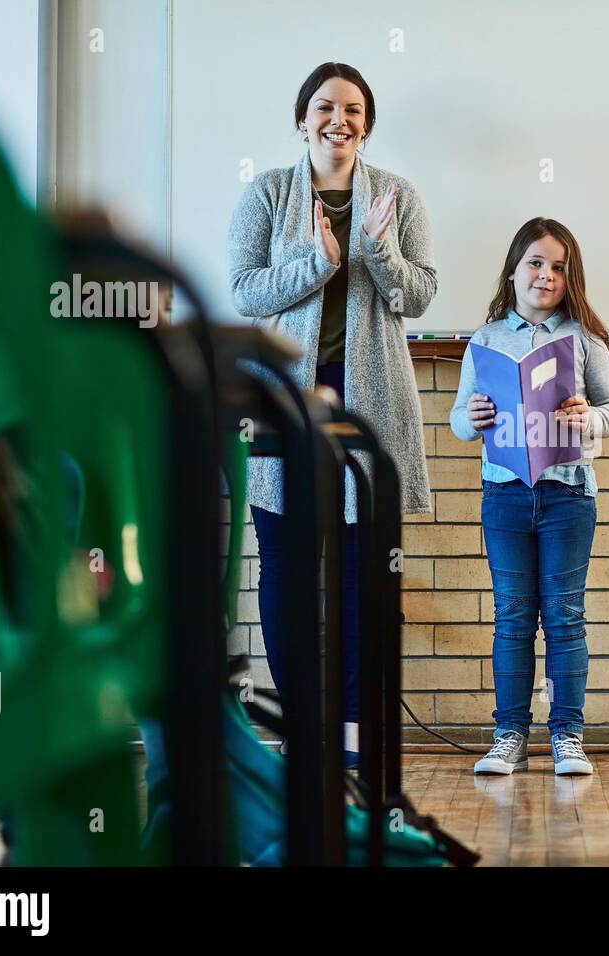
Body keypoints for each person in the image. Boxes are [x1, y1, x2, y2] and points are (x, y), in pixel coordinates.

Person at [227, 62, 437, 759]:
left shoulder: (399, 196)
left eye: (351, 109)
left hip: (370, 403)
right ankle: (301, 727)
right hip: (285, 408)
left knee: (359, 571)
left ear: (366, 125)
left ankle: (351, 727)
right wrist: (318, 262)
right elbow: (244, 293)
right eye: (324, 106)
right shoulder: (266, 193)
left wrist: (376, 251)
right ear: (301, 119)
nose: (337, 119)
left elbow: (417, 297)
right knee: (287, 568)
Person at [449, 218, 609, 775]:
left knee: (566, 617)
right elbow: (458, 418)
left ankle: (567, 736)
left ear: (569, 279)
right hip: (504, 495)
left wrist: (589, 416)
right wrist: (471, 418)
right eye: (535, 263)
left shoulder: (585, 341)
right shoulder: (485, 341)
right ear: (512, 271)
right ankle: (509, 735)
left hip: (568, 495)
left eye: (557, 267)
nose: (545, 275)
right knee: (512, 617)